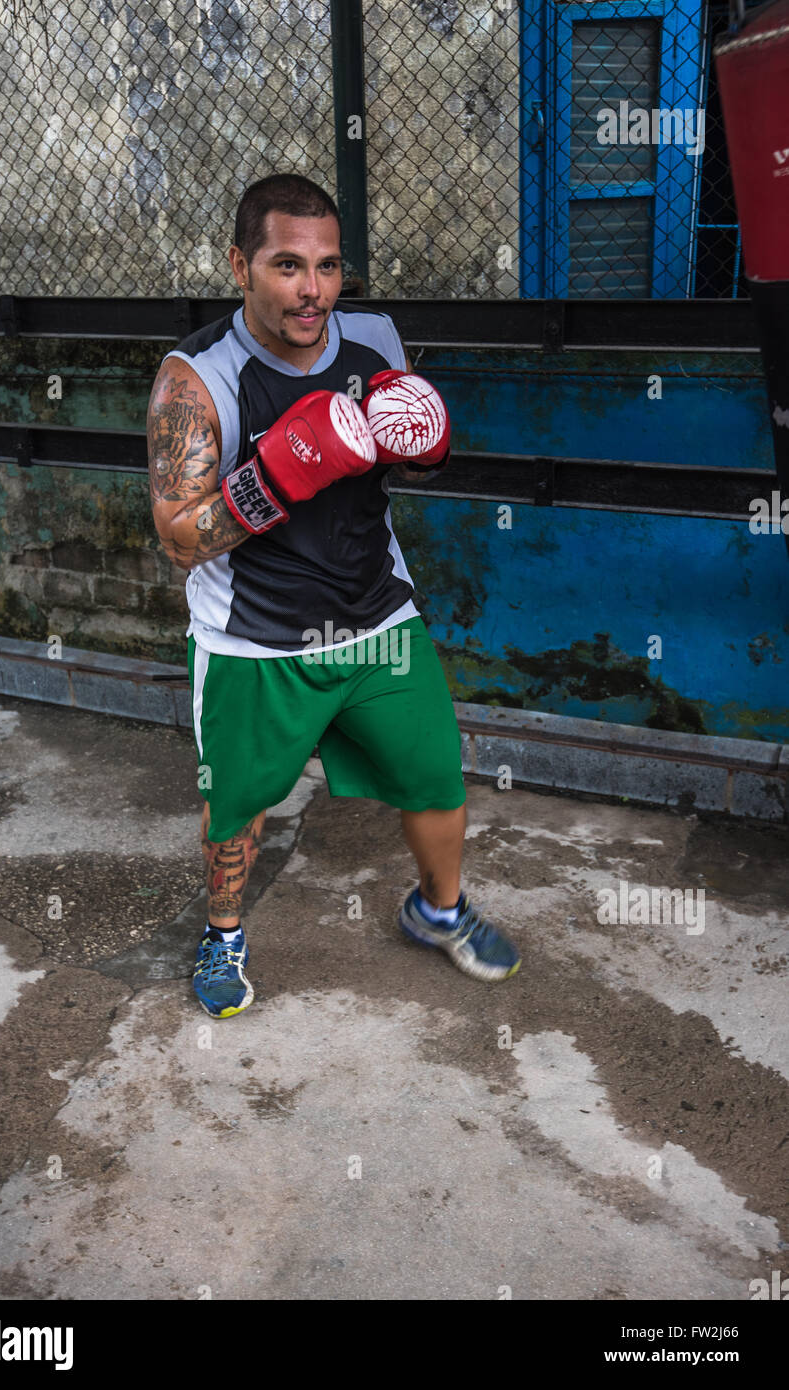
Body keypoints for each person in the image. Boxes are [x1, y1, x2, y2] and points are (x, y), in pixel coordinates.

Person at [146, 173, 521, 1018]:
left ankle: (437, 911)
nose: (311, 290)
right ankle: (224, 934)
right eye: (286, 265)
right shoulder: (196, 377)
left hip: (376, 619)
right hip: (257, 640)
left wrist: (422, 448)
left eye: (327, 266)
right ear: (240, 265)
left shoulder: (374, 336)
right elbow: (177, 538)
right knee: (237, 809)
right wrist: (276, 473)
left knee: (435, 782)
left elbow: (402, 449)